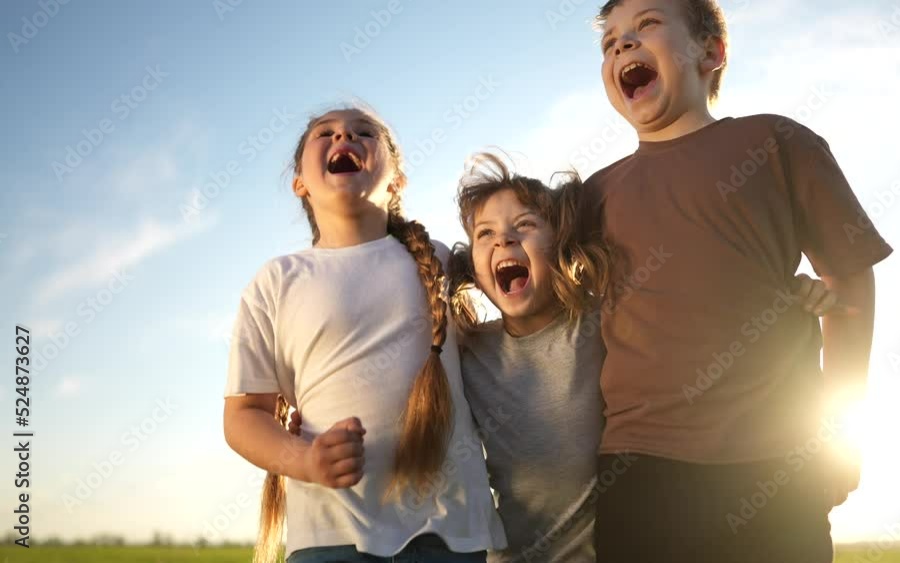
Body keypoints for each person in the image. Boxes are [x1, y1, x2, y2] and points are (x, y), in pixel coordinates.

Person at [287, 152, 843, 562]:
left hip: (620, 549)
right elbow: (389, 351)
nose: (504, 242)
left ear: (560, 248)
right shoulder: (467, 351)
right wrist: (307, 402)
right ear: (474, 267)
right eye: (485, 235)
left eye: (524, 227)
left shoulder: (603, 323)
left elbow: (688, 313)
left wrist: (786, 294)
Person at [586, 1, 894, 561]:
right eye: (610, 43)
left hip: (778, 462)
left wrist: (839, 430)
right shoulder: (594, 194)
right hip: (638, 468)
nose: (623, 46)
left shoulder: (777, 143)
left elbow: (849, 279)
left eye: (647, 25)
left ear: (712, 51)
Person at [223, 106, 506, 563]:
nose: (344, 138)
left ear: (396, 181)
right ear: (300, 181)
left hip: (452, 530)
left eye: (362, 133)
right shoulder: (276, 281)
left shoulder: (439, 261)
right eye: (326, 133)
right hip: (331, 531)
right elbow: (243, 417)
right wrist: (305, 461)